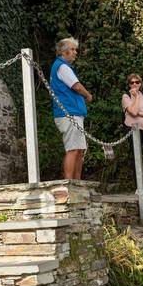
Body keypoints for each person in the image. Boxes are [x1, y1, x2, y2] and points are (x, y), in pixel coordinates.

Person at [49, 38, 92, 180]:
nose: (75, 52)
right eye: (73, 49)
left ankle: (77, 183)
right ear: (64, 51)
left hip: (73, 113)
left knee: (79, 150)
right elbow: (76, 86)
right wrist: (88, 95)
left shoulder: (62, 67)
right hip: (68, 114)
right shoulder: (62, 67)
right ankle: (69, 184)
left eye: (75, 50)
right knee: (73, 149)